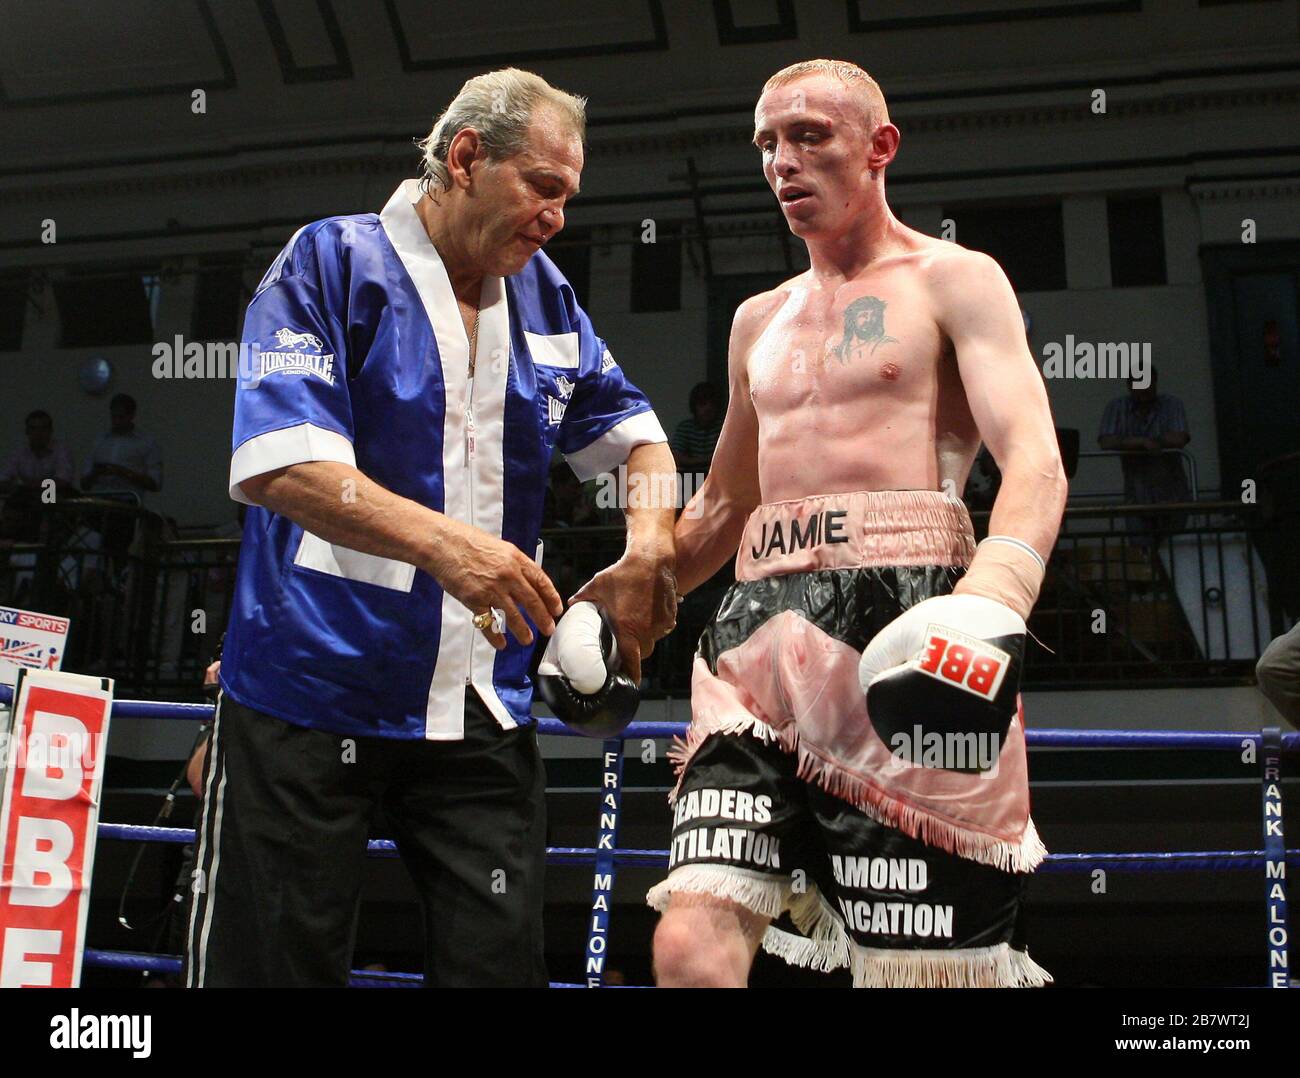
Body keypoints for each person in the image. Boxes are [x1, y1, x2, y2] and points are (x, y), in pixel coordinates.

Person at [184, 68, 678, 988]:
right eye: (543, 187)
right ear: (464, 158)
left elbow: (640, 443)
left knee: (498, 971)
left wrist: (647, 550)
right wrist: (455, 547)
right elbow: (280, 465)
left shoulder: (547, 299)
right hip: (307, 694)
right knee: (268, 971)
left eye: (569, 197)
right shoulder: (330, 261)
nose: (557, 218)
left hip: (478, 708)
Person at [647, 59, 1067, 988]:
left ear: (879, 148)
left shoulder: (957, 279)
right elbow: (723, 505)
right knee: (688, 942)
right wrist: (620, 604)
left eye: (808, 137)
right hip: (755, 629)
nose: (781, 163)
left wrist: (995, 595)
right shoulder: (758, 317)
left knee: (919, 966)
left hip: (909, 615)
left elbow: (1033, 458)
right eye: (766, 144)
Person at [1097, 367, 1190, 534]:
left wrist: (1151, 442)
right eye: (1140, 384)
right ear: (1130, 386)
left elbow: (1180, 438)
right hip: (1137, 495)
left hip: (1173, 495)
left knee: (1174, 548)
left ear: (1155, 383)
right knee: (1142, 549)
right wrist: (1142, 442)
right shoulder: (1117, 407)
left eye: (1149, 384)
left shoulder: (1171, 404)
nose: (1145, 390)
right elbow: (1105, 441)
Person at [0, 409, 76, 497]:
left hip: (55, 500)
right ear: (27, 431)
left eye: (43, 428)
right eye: (33, 428)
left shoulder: (62, 451)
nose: (38, 433)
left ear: (51, 431)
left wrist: (24, 484)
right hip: (26, 501)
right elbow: (3, 480)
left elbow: (63, 481)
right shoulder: (18, 453)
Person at [670, 382, 723, 492]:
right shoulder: (686, 427)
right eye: (703, 403)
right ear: (695, 406)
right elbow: (676, 458)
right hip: (690, 481)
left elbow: (726, 459)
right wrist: (707, 460)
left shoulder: (723, 426)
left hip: (717, 481)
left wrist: (691, 461)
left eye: (712, 404)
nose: (708, 408)